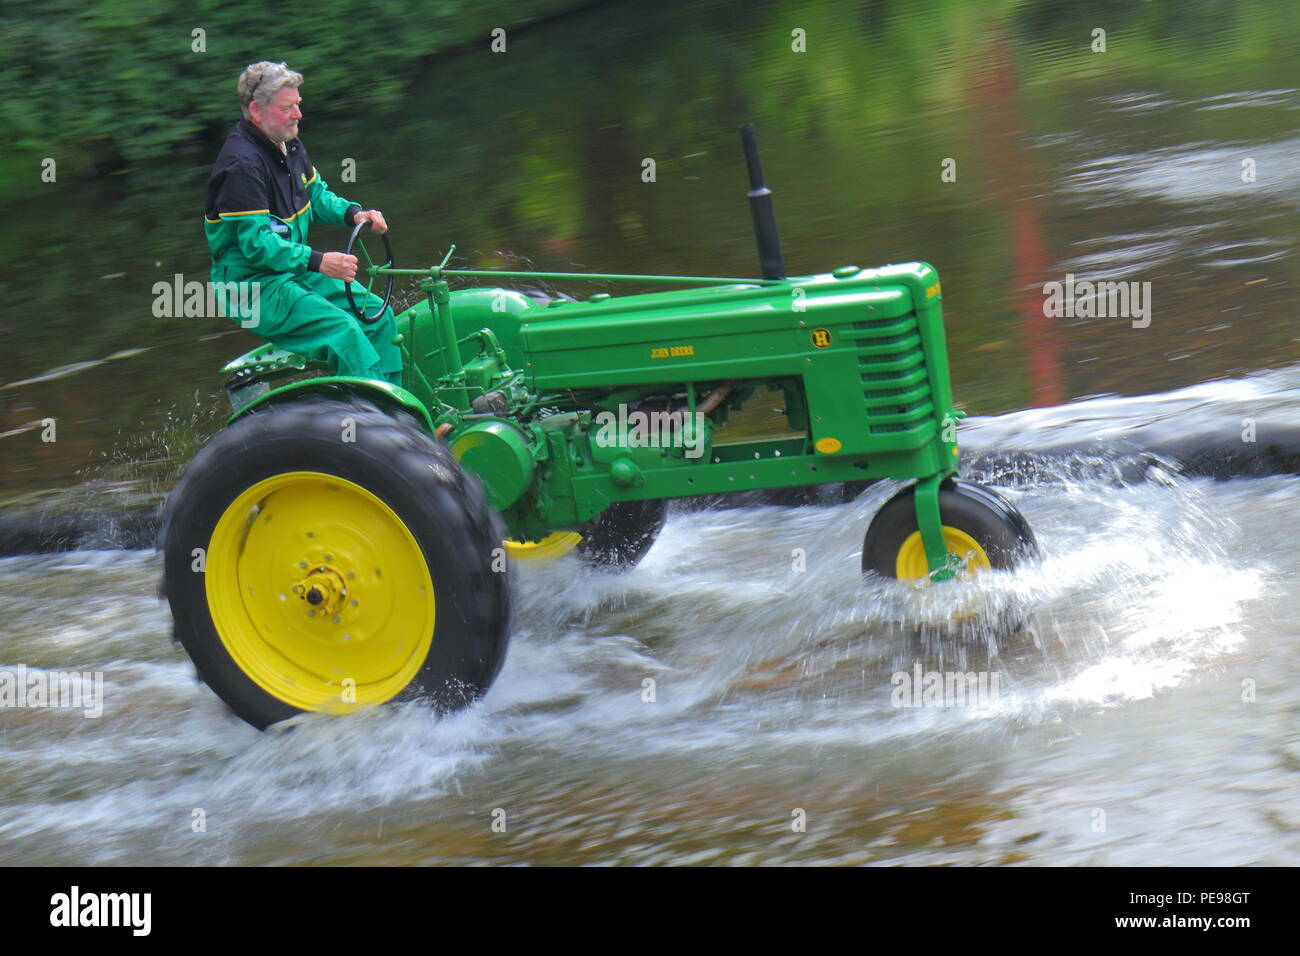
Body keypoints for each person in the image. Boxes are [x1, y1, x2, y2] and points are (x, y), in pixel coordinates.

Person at [204, 61, 402, 385]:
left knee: (380, 319)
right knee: (345, 333)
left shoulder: (288, 142)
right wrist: (319, 261)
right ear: (256, 110)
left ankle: (402, 413)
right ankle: (380, 426)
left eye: (298, 104)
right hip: (255, 287)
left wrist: (355, 214)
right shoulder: (241, 166)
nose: (298, 114)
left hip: (293, 271)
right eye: (287, 108)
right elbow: (258, 246)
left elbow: (316, 195)